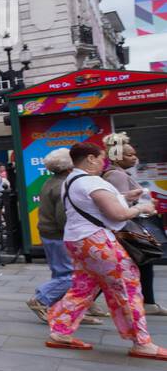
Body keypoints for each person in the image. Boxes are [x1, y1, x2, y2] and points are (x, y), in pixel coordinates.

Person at [45, 141, 166, 359]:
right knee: (127, 284)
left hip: (75, 240)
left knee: (84, 285)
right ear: (91, 158)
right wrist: (141, 207)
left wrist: (126, 197)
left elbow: (94, 205)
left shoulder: (71, 180)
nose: (104, 163)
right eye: (102, 158)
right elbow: (117, 214)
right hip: (96, 241)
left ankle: (61, 331)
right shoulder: (91, 181)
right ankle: (141, 342)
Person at [26, 148, 104, 326]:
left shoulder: (51, 181)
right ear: (70, 167)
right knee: (68, 275)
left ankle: (69, 310)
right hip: (58, 234)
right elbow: (63, 217)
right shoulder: (63, 185)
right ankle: (41, 300)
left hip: (50, 233)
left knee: (62, 272)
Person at [102, 133, 164, 316]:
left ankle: (148, 302)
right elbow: (119, 204)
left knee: (144, 261)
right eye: (129, 155)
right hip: (128, 227)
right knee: (139, 261)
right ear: (117, 157)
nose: (135, 158)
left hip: (129, 226)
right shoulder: (117, 175)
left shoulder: (120, 173)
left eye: (134, 154)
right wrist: (144, 207)